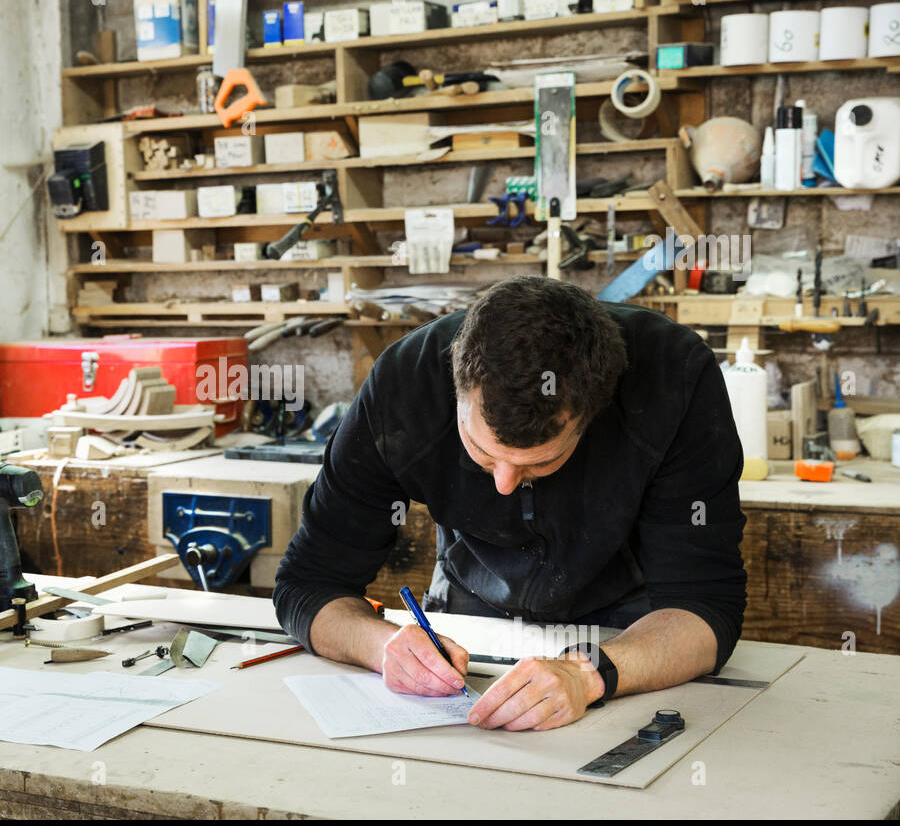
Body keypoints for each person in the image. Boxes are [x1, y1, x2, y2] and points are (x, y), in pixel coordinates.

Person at [273, 275, 747, 731]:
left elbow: (703, 605)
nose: (503, 484)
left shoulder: (675, 378)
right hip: (468, 618)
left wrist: (588, 674)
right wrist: (381, 647)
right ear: (456, 387)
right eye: (481, 454)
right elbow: (309, 584)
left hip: (627, 633)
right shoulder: (404, 385)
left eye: (541, 463)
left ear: (590, 414)